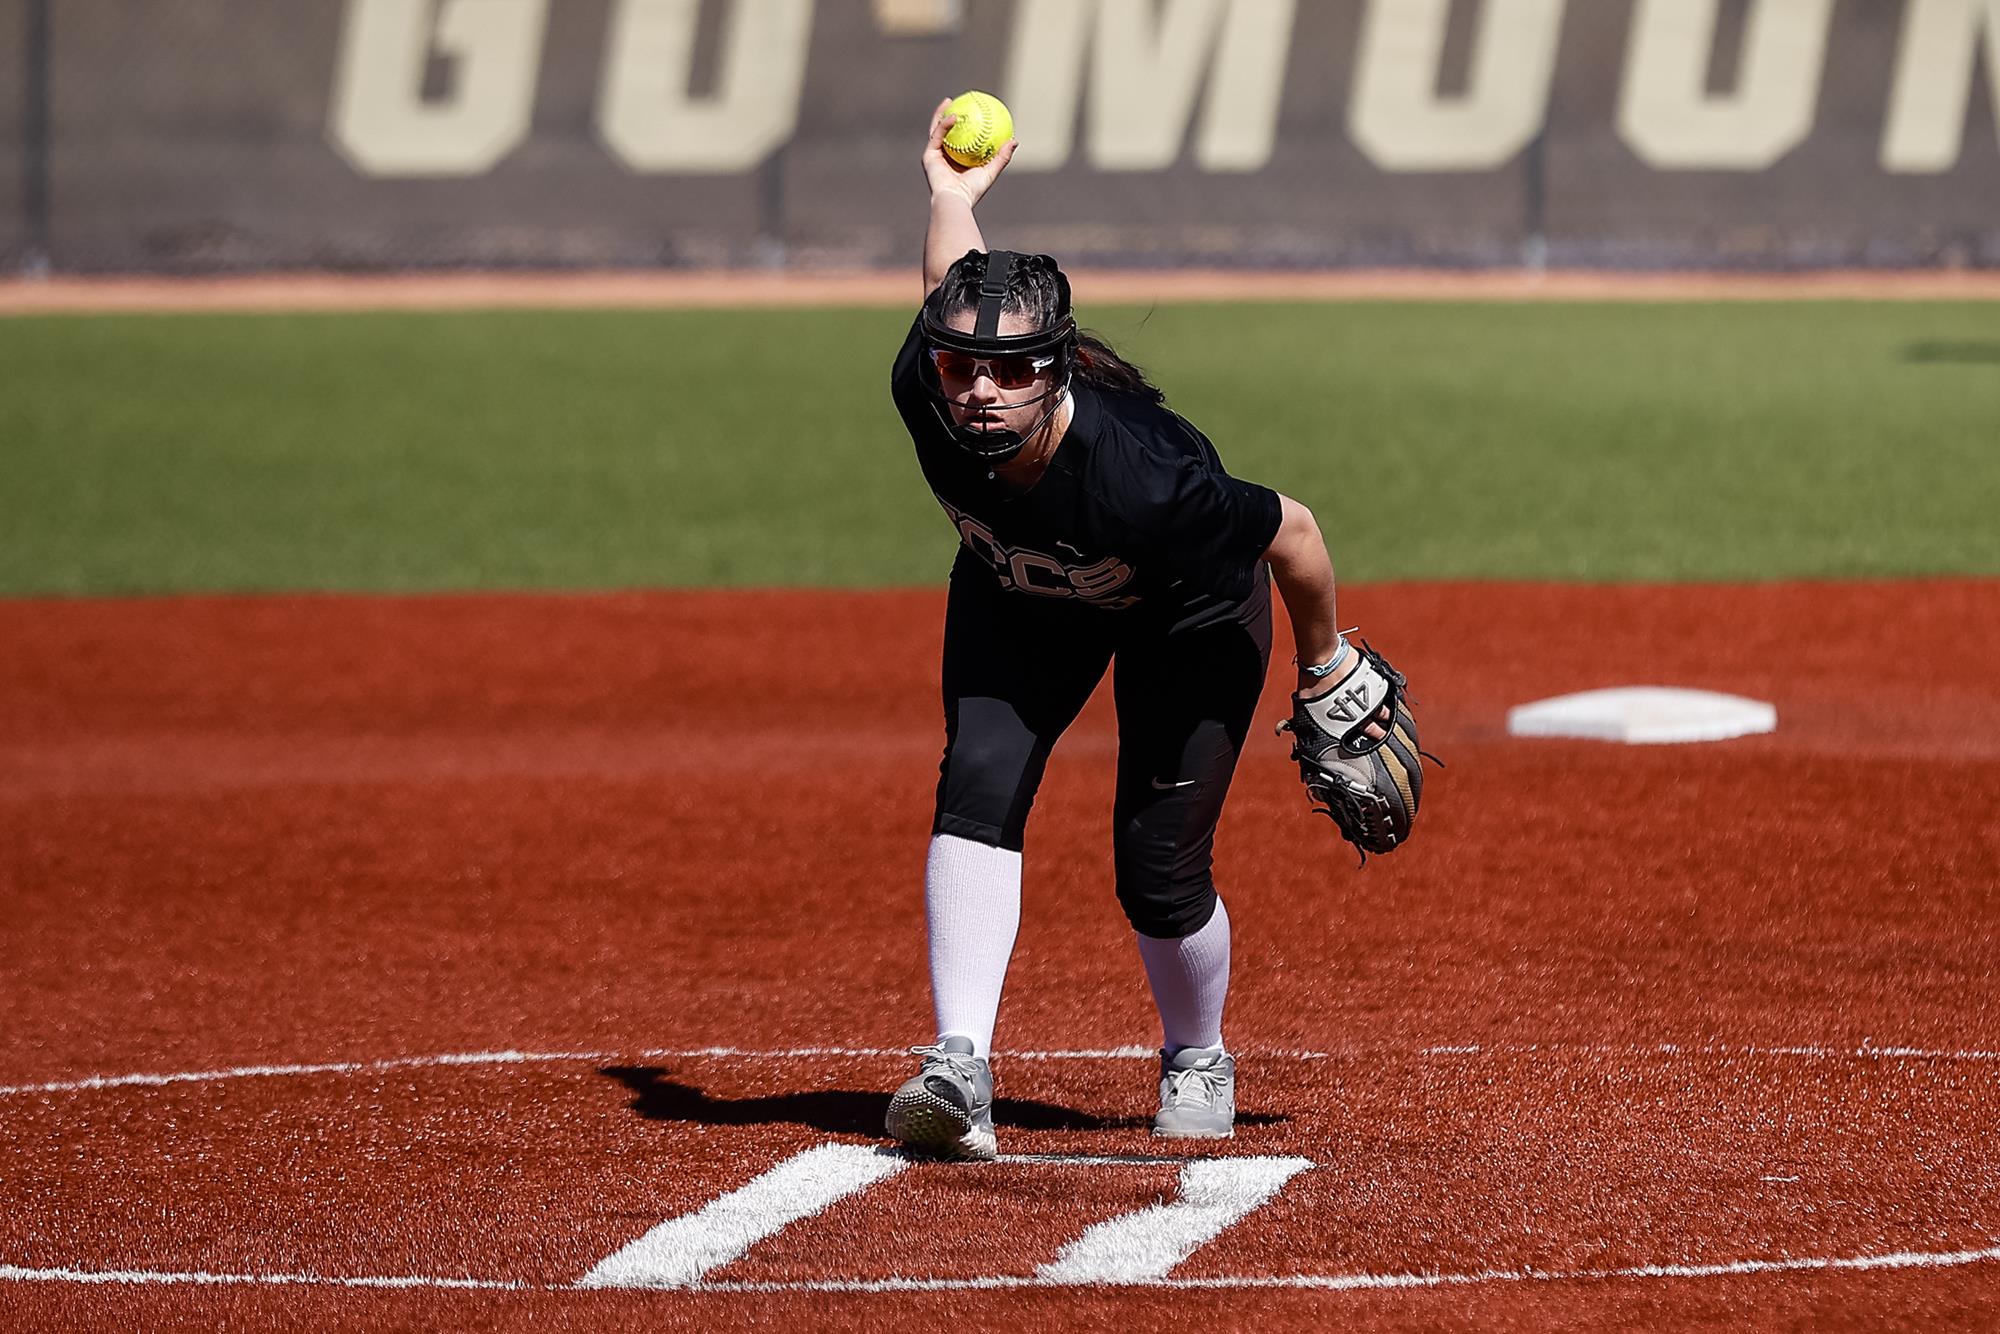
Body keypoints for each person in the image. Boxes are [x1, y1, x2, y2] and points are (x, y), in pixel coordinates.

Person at [882, 99, 1414, 1161]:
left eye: (1013, 370)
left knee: (1155, 867)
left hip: (1187, 609)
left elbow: (1295, 531)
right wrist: (948, 195)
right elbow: (953, 292)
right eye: (959, 366)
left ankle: (1197, 1055)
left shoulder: (1151, 479)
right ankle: (959, 1066)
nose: (980, 390)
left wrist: (1323, 666)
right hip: (1021, 591)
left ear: (1059, 367)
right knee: (976, 783)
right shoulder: (928, 386)